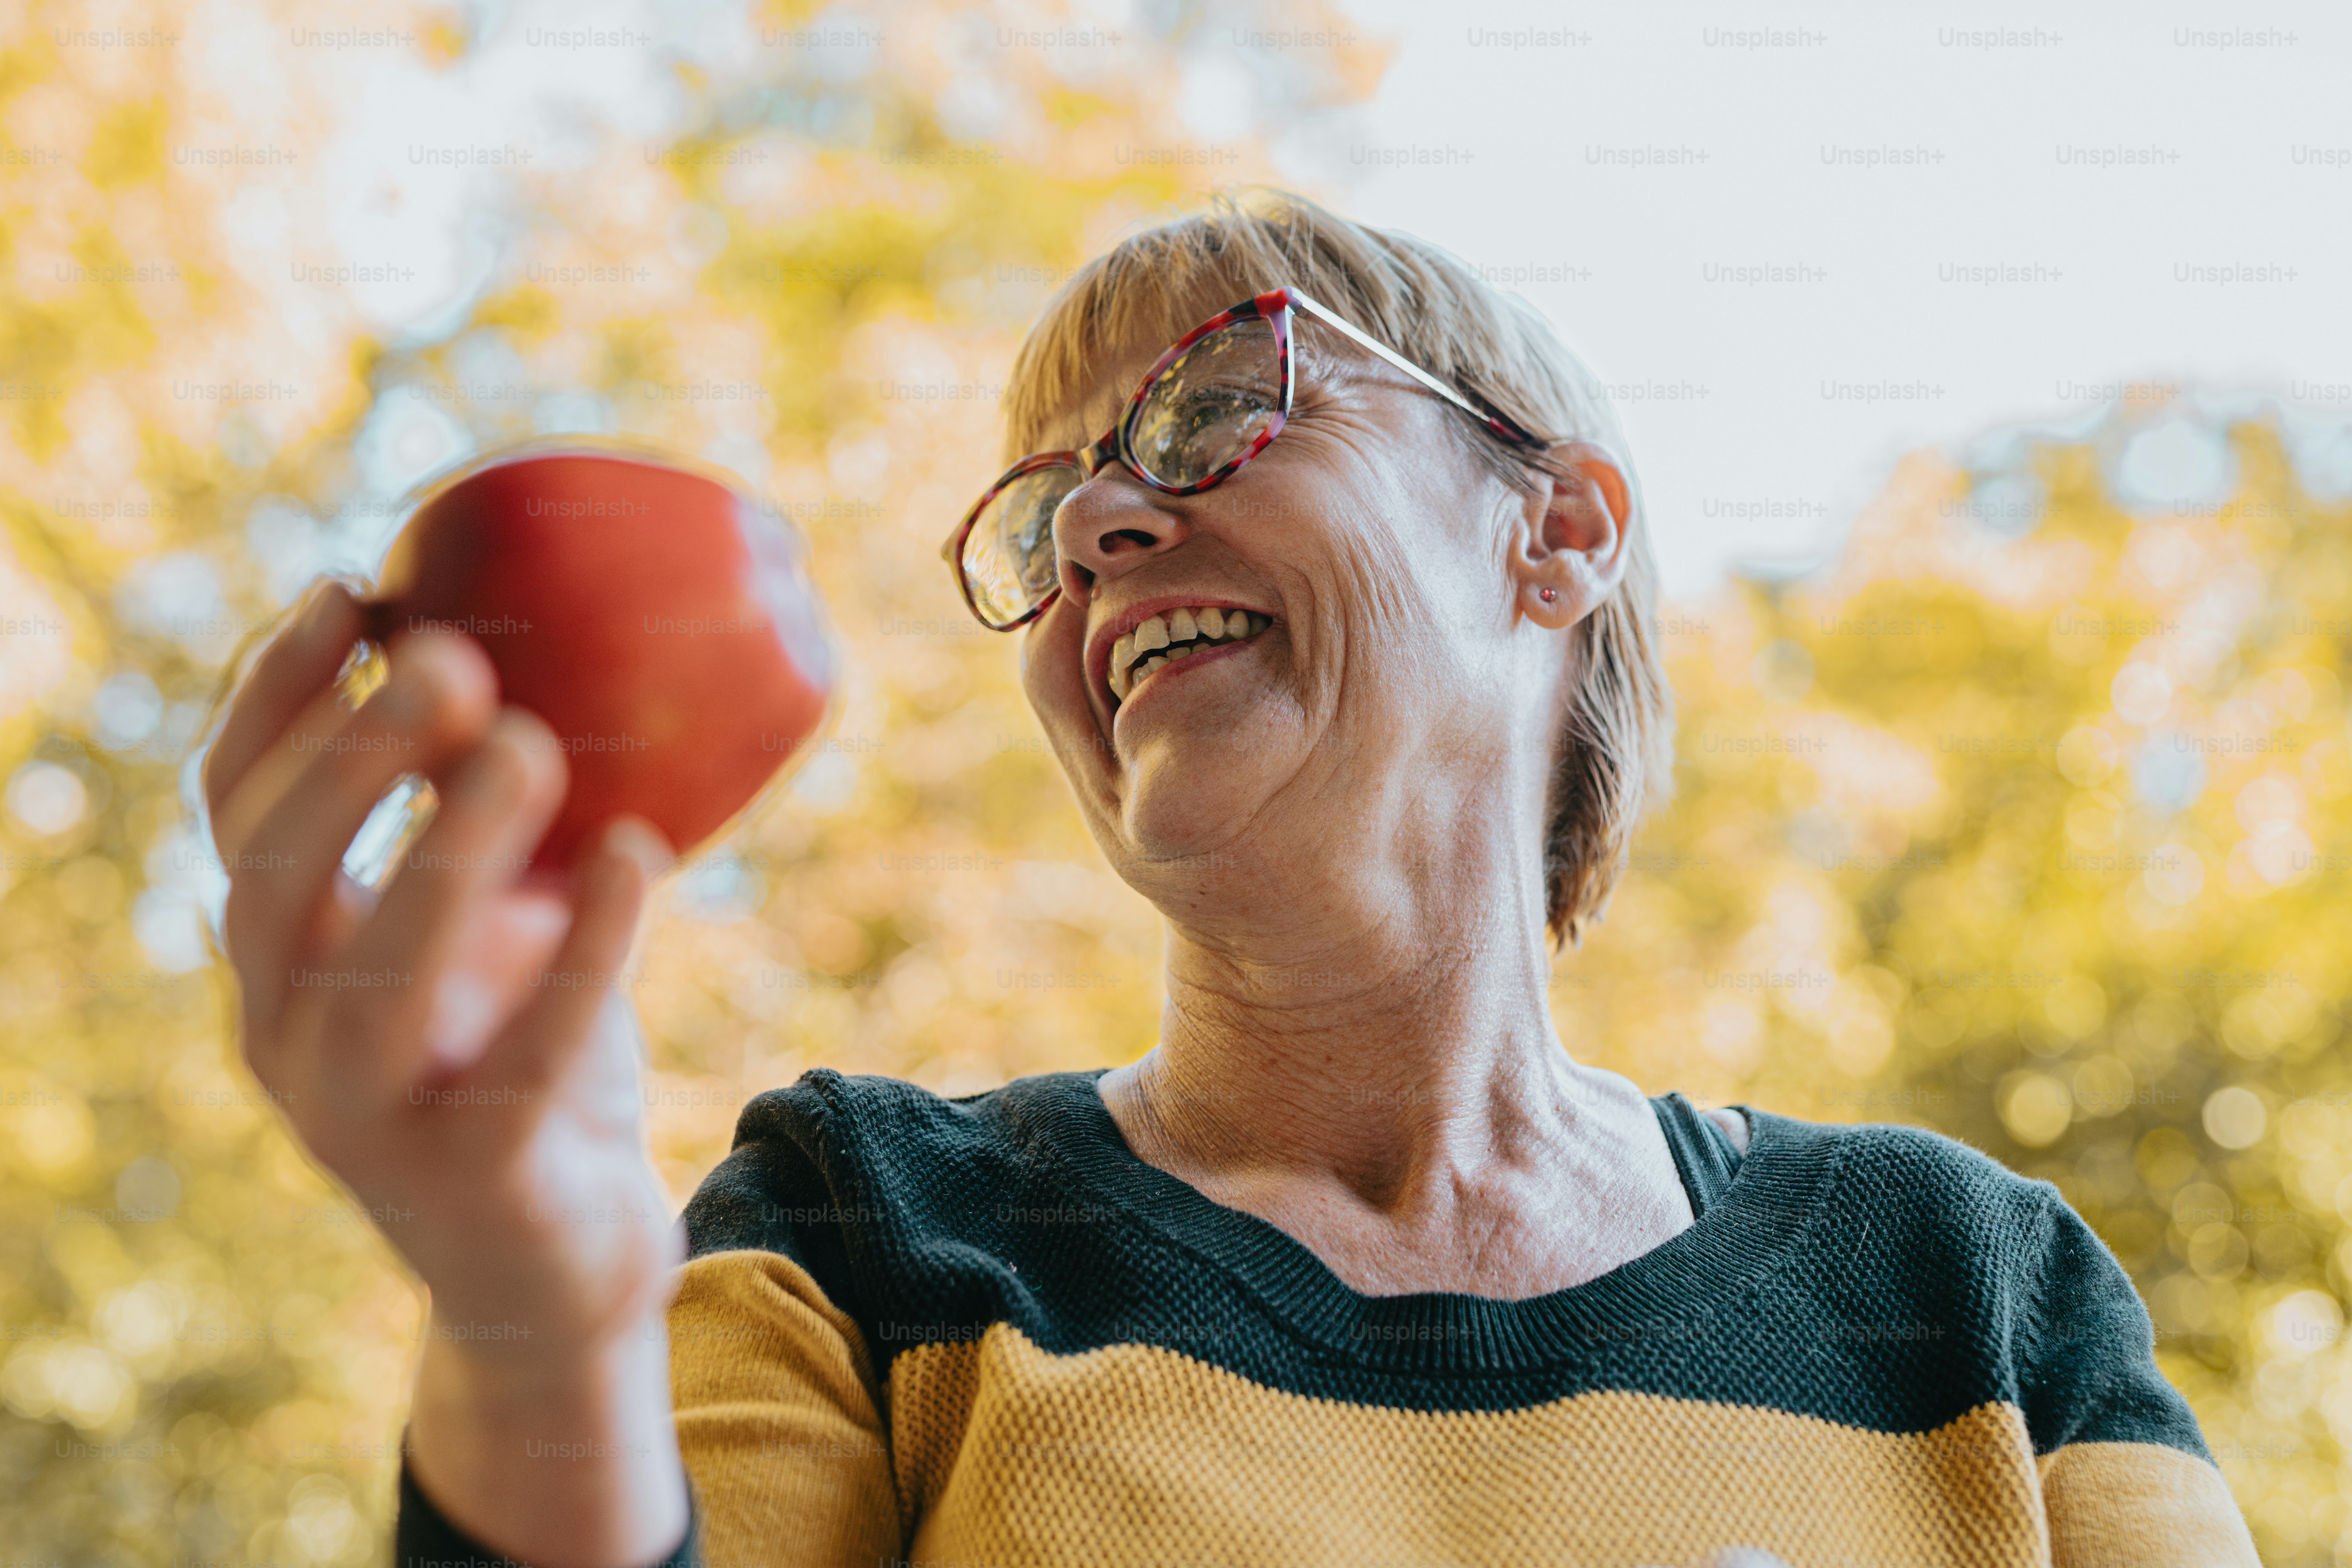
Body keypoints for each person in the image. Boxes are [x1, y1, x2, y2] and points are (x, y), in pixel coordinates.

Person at [203, 190, 2258, 1568]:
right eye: (1043, 506)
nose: (1097, 519)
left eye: (1210, 406)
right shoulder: (863, 1236)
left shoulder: (1968, 1290)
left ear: (1553, 533)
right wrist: (526, 1335)